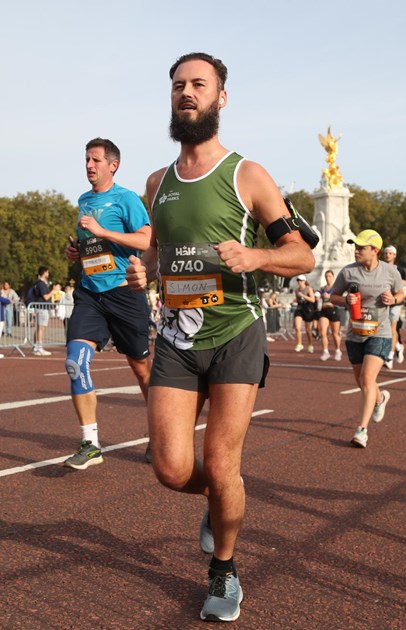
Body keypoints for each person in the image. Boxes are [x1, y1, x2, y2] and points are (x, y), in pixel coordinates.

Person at [125, 52, 314, 622]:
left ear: (220, 99)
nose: (187, 93)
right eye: (179, 85)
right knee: (171, 468)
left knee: (222, 460)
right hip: (178, 339)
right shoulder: (157, 183)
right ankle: (220, 498)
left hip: (235, 331)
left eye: (199, 85)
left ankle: (224, 571)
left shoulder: (246, 175)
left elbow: (301, 254)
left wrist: (255, 254)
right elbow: (159, 254)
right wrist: (145, 271)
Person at [61, 137, 153, 470]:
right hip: (90, 293)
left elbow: (145, 239)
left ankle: (158, 432)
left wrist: (103, 231)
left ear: (112, 165)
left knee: (142, 370)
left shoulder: (127, 199)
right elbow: (90, 246)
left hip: (124, 292)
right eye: (86, 159)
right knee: (75, 361)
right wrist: (76, 252)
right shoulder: (83, 200)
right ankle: (90, 443)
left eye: (96, 160)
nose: (89, 165)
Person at [330, 230, 404, 448]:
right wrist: (345, 299)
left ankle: (361, 430)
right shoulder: (348, 272)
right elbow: (333, 296)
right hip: (355, 333)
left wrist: (393, 299)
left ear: (375, 251)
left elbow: (401, 294)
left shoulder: (390, 272)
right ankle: (380, 399)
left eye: (361, 247)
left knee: (367, 379)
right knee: (362, 382)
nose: (356, 250)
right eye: (356, 246)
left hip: (379, 333)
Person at [380, 245, 406, 367]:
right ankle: (398, 346)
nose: (387, 255)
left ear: (394, 255)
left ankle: (389, 357)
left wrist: (396, 297)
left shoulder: (399, 270)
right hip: (383, 302)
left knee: (392, 328)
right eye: (386, 253)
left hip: (395, 302)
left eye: (390, 253)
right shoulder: (379, 267)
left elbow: (403, 288)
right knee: (384, 328)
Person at [26, 267, 55, 356]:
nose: (48, 274)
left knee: (39, 327)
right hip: (42, 308)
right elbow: (46, 297)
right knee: (41, 328)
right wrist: (54, 290)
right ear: (45, 273)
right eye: (47, 272)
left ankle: (36, 347)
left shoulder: (37, 283)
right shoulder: (41, 284)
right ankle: (39, 347)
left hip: (39, 307)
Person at [317, 270, 343, 361]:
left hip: (334, 311)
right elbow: (320, 301)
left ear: (333, 277)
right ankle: (325, 351)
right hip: (324, 311)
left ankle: (338, 350)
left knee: (335, 333)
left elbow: (339, 301)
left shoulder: (336, 288)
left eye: (329, 276)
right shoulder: (322, 288)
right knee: (323, 332)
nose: (328, 278)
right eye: (326, 276)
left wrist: (330, 298)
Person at [292, 275, 317, 352]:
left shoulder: (308, 289)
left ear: (304, 281)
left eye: (300, 280)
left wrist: (303, 296)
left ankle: (310, 345)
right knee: (297, 327)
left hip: (308, 309)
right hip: (300, 309)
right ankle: (299, 344)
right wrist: (296, 301)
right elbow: (298, 300)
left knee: (308, 329)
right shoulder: (296, 290)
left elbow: (313, 300)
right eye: (298, 280)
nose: (299, 282)